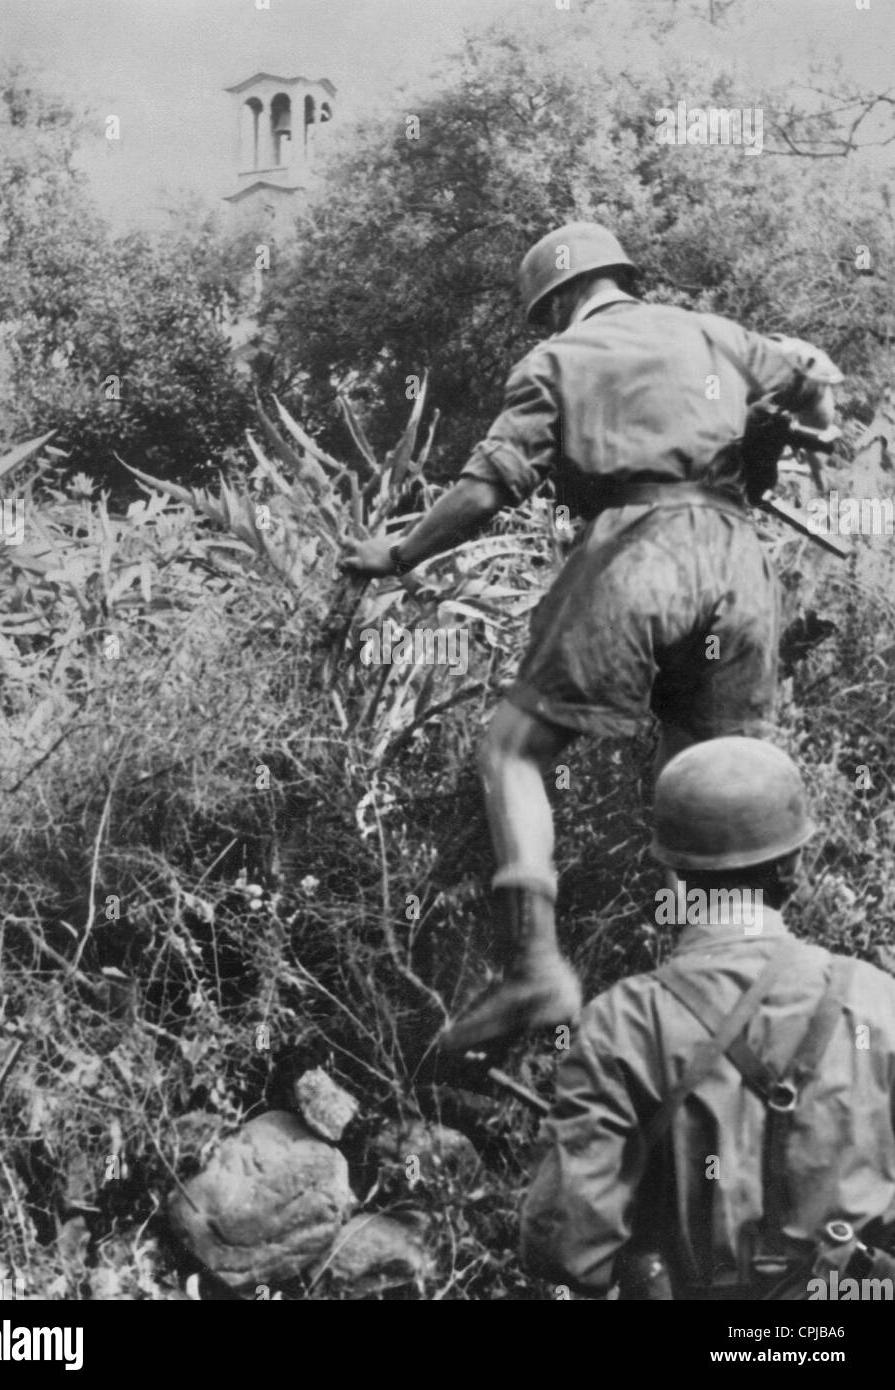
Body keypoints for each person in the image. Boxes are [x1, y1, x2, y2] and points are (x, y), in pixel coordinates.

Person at [341, 221, 842, 1053]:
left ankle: (536, 968)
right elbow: (817, 383)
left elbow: (483, 490)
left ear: (558, 300)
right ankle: (735, 996)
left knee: (512, 749)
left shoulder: (555, 362)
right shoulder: (714, 332)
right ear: (622, 276)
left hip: (636, 554)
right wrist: (779, 432)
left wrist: (395, 553)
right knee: (707, 779)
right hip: (736, 563)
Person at [520, 737, 895, 1301]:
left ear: (672, 873)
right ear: (794, 865)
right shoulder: (876, 1000)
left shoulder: (624, 1023)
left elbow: (564, 1245)